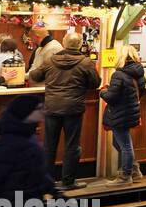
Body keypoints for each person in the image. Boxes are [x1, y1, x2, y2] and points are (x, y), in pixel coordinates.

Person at [28, 31, 100, 191]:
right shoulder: (85, 62)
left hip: (52, 107)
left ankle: (46, 182)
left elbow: (34, 76)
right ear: (81, 44)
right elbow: (95, 83)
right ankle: (68, 181)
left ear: (64, 43)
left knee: (49, 146)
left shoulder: (51, 60)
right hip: (73, 109)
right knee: (72, 146)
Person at [101, 45, 146, 185]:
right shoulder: (139, 74)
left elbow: (111, 97)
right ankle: (134, 170)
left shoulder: (118, 75)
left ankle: (125, 176)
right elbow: (140, 92)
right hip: (130, 112)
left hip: (120, 113)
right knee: (120, 142)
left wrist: (103, 91)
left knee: (125, 145)